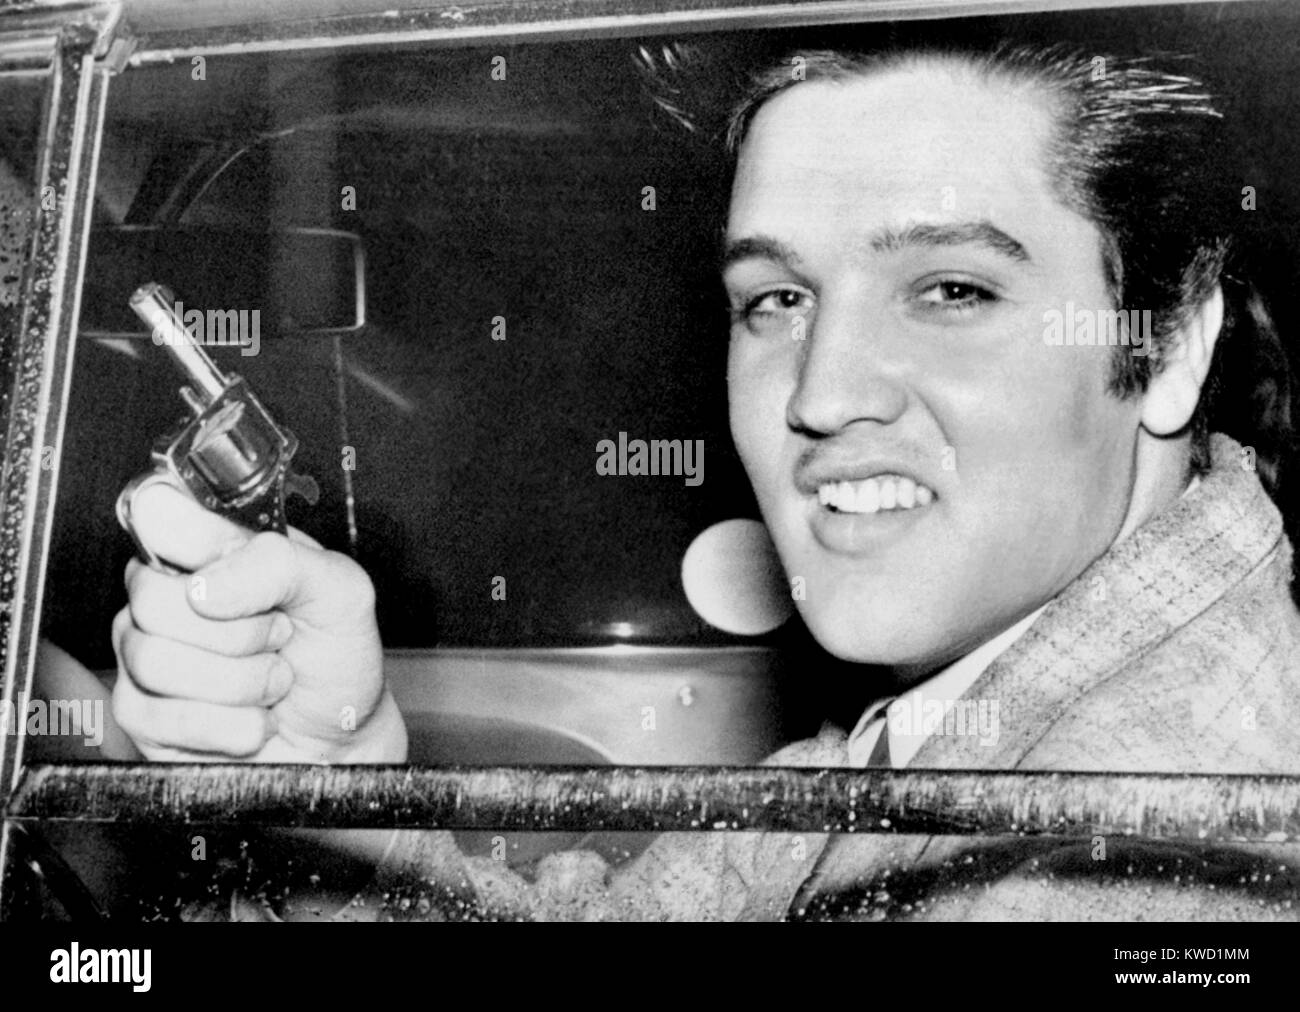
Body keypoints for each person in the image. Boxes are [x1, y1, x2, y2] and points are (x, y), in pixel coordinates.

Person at [60, 40, 1300, 918]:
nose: (822, 392)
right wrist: (339, 789)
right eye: (776, 299)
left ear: (1171, 343)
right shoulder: (983, 714)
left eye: (951, 290)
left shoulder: (1151, 857)